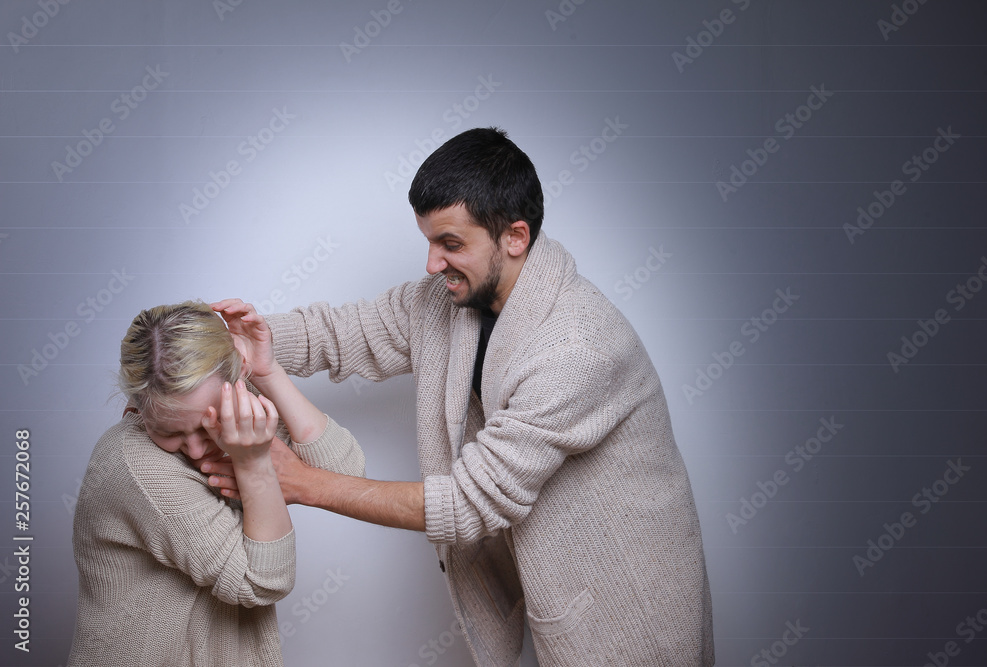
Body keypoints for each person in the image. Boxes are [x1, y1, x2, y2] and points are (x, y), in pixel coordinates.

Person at [208, 127, 714, 665]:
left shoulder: (579, 345)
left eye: (451, 244)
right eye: (428, 241)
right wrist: (243, 341)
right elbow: (347, 331)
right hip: (560, 589)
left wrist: (303, 482)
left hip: (633, 606)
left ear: (515, 237)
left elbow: (472, 502)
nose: (431, 264)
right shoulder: (448, 302)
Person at [68, 301, 365, 667]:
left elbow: (345, 475)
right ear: (140, 408)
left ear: (239, 382)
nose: (194, 448)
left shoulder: (241, 421)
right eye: (169, 430)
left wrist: (268, 372)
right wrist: (255, 465)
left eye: (208, 424)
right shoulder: (138, 464)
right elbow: (261, 582)